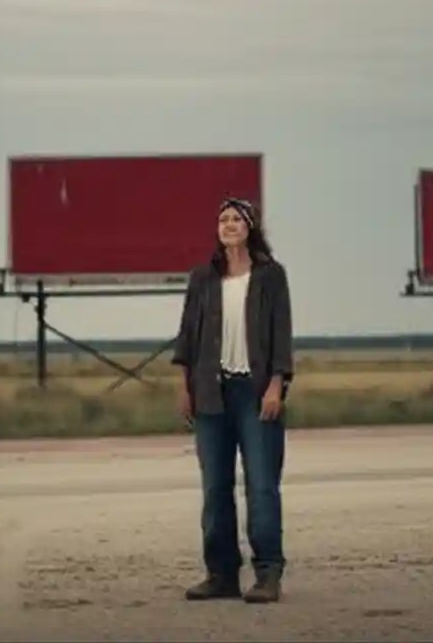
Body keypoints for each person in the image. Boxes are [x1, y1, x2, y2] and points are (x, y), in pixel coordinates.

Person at [171, 196, 294, 604]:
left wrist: (276, 385)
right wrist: (183, 385)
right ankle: (221, 573)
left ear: (250, 226)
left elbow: (281, 335)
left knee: (261, 486)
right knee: (215, 489)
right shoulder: (203, 278)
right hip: (210, 391)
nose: (229, 224)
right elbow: (186, 335)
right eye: (222, 219)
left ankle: (267, 574)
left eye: (236, 219)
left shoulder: (271, 276)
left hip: (255, 392)